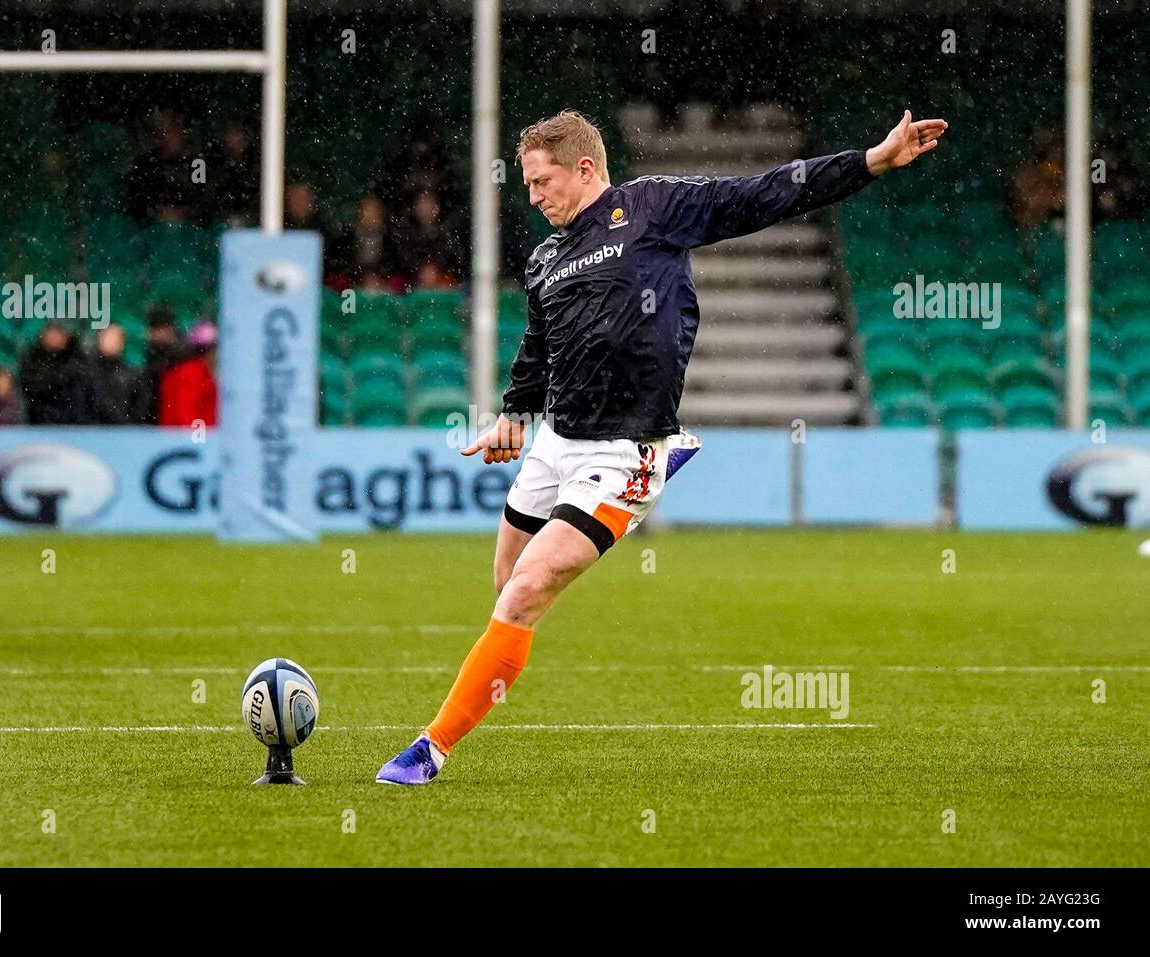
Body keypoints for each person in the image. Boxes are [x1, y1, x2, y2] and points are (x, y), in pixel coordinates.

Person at [375, 108, 948, 785]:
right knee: (506, 584)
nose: (532, 197)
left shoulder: (653, 208)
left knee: (526, 591)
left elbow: (762, 192)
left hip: (620, 448)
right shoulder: (545, 257)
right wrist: (512, 416)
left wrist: (870, 161)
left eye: (541, 181)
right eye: (527, 184)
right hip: (557, 439)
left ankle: (429, 748)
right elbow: (539, 348)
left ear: (585, 169)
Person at [18, 321, 88, 425]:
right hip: (39, 424)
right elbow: (32, 390)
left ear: (66, 336)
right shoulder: (33, 359)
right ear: (43, 335)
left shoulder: (78, 360)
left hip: (73, 426)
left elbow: (82, 395)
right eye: (51, 333)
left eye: (58, 333)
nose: (54, 337)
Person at [82, 325, 147, 424]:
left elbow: (139, 407)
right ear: (99, 340)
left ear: (122, 343)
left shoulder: (132, 374)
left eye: (115, 339)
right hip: (91, 432)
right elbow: (80, 405)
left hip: (123, 432)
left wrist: (127, 426)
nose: (111, 342)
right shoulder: (86, 372)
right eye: (108, 338)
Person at [157, 321, 217, 427]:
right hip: (190, 439)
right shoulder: (192, 374)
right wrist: (197, 440)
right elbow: (185, 414)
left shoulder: (192, 372)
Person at [140, 304, 185, 423]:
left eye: (159, 328)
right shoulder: (152, 353)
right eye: (153, 329)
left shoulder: (181, 357)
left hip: (172, 422)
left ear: (170, 329)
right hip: (155, 419)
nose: (155, 334)